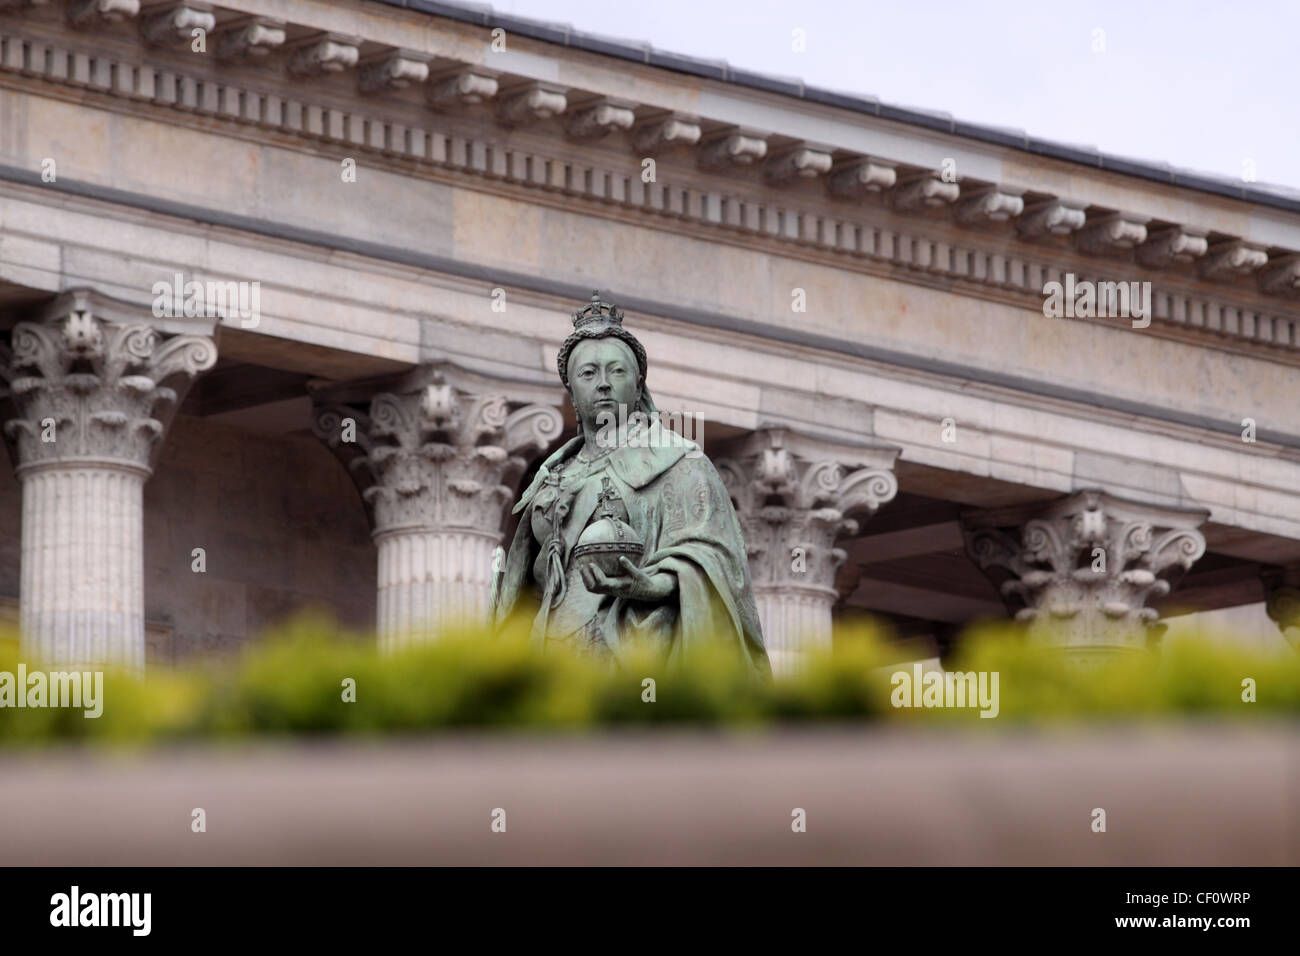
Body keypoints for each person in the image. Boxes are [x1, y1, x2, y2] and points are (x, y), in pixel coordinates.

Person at [490, 293, 770, 677]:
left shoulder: (680, 462)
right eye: (588, 374)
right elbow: (523, 585)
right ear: (571, 392)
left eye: (616, 372)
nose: (603, 384)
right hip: (548, 656)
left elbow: (717, 564)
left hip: (630, 652)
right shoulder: (552, 475)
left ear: (638, 387)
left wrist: (653, 586)